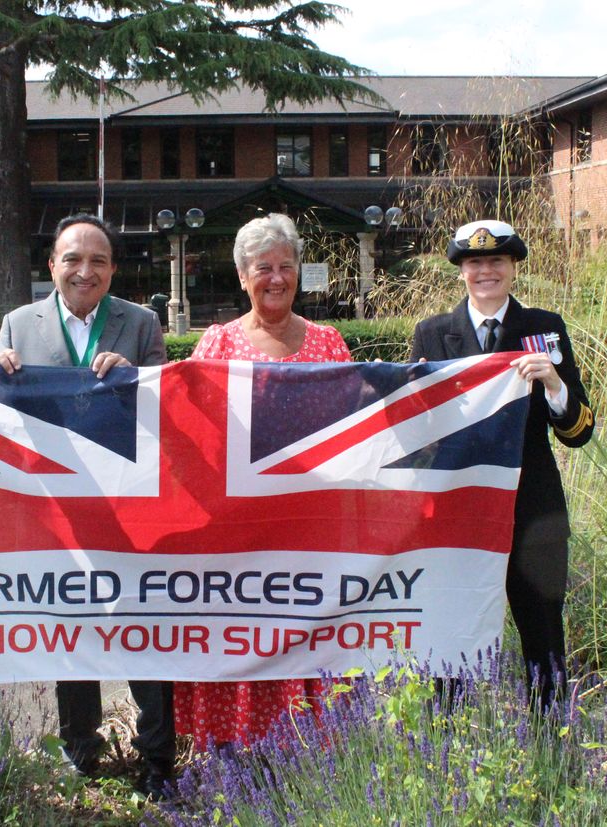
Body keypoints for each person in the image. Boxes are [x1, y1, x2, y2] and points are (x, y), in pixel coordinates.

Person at [0, 214, 174, 796]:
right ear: (52, 266)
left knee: (144, 627)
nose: (85, 270)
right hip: (57, 506)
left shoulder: (140, 322)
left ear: (113, 269)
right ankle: (80, 750)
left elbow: (171, 404)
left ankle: (157, 757)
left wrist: (138, 376)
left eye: (98, 260)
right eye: (73, 259)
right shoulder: (19, 324)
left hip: (128, 505)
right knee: (70, 630)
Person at [174, 213, 352, 750]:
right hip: (238, 531)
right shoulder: (218, 343)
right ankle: (236, 754)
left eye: (285, 266)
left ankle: (310, 749)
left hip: (309, 529)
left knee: (307, 630)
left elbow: (356, 426)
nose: (276, 278)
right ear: (242, 276)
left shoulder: (329, 342)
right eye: (262, 268)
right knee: (246, 631)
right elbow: (187, 427)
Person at [410, 219, 595, 709]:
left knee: (543, 635)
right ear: (461, 272)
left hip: (533, 511)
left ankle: (552, 749)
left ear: (514, 268)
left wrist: (554, 386)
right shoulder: (431, 335)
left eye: (496, 261)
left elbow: (579, 432)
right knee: (451, 640)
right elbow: (417, 432)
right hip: (459, 515)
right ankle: (446, 750)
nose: (485, 271)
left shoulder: (544, 329)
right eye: (475, 263)